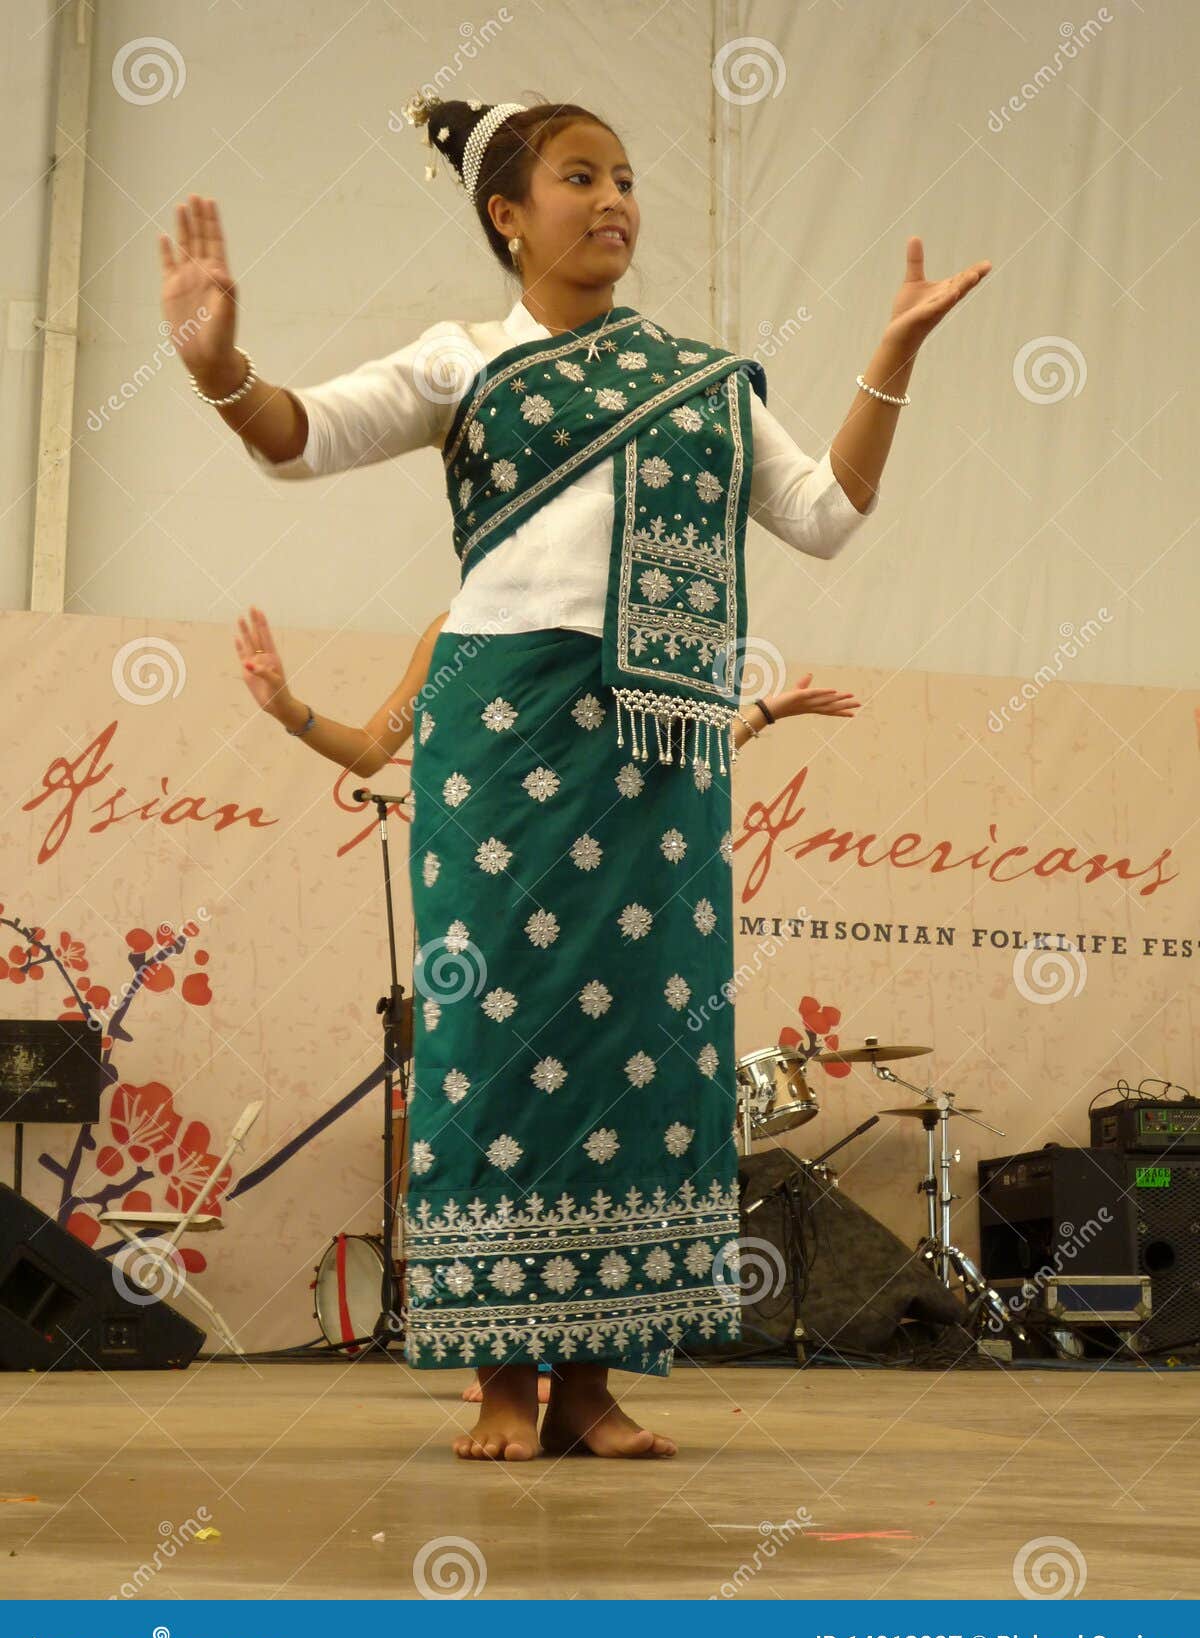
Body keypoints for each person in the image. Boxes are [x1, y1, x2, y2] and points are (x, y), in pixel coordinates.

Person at [164, 92, 988, 1462]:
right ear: (509, 212)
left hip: (655, 747)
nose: (612, 200)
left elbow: (829, 516)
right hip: (500, 733)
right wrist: (214, 365)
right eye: (577, 177)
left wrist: (890, 354)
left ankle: (597, 1376)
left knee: (641, 1048)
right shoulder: (464, 363)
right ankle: (500, 1375)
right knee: (491, 1039)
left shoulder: (703, 382)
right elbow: (297, 436)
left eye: (623, 177)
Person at [232, 603, 861, 1410]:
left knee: (610, 1117)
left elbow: (663, 777)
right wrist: (286, 705)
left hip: (613, 927)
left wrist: (763, 715)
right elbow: (372, 751)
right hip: (502, 924)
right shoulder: (462, 626)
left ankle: (585, 1391)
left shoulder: (644, 619)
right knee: (500, 1120)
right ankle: (501, 1376)